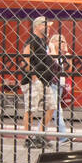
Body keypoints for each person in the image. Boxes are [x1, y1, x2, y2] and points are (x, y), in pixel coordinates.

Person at [21, 16, 57, 147]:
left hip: (44, 80)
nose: (48, 28)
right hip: (34, 80)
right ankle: (27, 137)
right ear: (37, 26)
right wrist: (33, 76)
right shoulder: (33, 40)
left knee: (51, 107)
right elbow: (25, 58)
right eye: (45, 25)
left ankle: (39, 134)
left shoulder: (43, 42)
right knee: (30, 108)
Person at [47, 33, 70, 141]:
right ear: (53, 42)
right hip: (52, 84)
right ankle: (63, 135)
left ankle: (38, 133)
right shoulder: (50, 52)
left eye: (64, 41)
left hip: (60, 84)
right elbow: (53, 66)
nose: (62, 43)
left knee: (53, 111)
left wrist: (67, 55)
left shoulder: (64, 55)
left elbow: (68, 70)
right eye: (59, 41)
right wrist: (54, 51)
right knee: (56, 110)